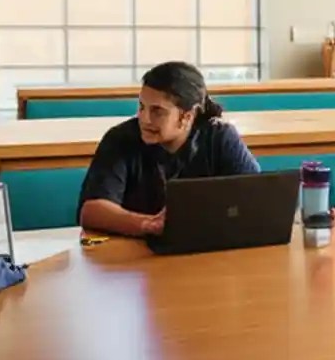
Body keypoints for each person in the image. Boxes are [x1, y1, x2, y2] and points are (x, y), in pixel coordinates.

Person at [78, 61, 260, 237]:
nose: (144, 118)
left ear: (187, 116)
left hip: (208, 252)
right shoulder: (120, 139)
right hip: (136, 255)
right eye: (141, 107)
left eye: (157, 111)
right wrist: (147, 225)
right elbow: (92, 211)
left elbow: (256, 196)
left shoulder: (220, 137)